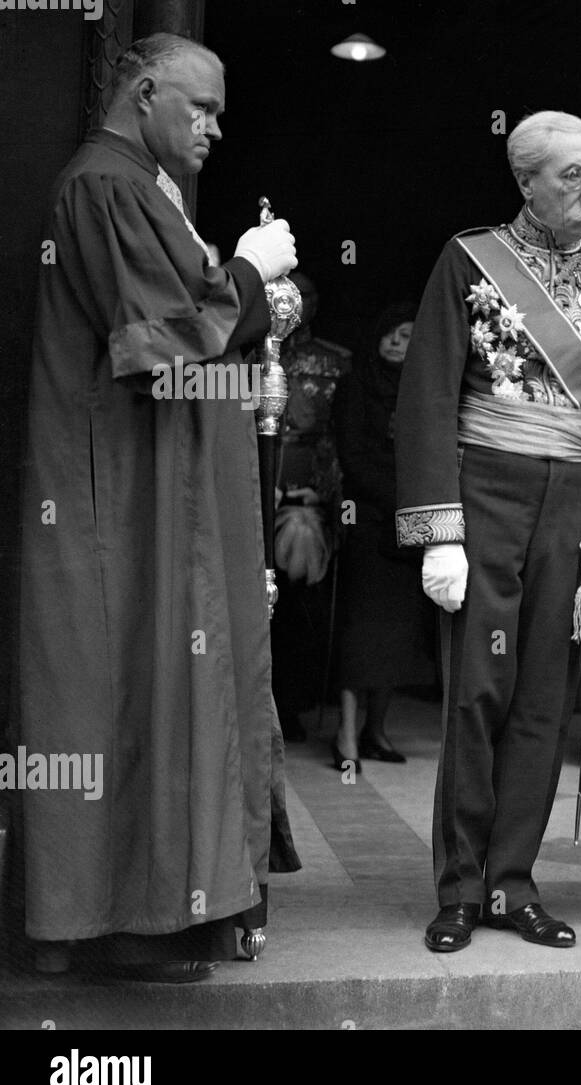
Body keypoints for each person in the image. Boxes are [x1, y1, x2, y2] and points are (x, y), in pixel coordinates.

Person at [18, 32, 299, 981]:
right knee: (120, 687)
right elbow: (169, 344)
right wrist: (256, 272)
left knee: (135, 689)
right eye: (203, 107)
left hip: (143, 482)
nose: (217, 128)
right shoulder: (109, 186)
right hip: (122, 493)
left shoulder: (132, 186)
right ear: (144, 93)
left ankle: (134, 915)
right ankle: (126, 921)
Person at [395, 111, 581, 953]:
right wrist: (439, 528)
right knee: (476, 694)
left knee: (544, 701)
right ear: (526, 183)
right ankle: (459, 887)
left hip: (575, 505)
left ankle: (513, 884)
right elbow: (428, 395)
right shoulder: (469, 260)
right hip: (486, 493)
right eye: (572, 177)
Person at [333, 302, 439, 771]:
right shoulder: (355, 385)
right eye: (392, 334)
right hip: (367, 519)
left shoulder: (424, 392)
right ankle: (345, 737)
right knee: (362, 633)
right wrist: (398, 495)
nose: (397, 343)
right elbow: (352, 456)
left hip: (410, 525)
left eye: (408, 336)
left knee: (397, 635)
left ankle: (376, 731)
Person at [271, 270, 351, 742]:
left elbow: (341, 436)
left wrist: (325, 492)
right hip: (259, 486)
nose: (297, 304)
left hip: (314, 499)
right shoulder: (248, 357)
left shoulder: (336, 363)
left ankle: (296, 703)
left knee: (302, 606)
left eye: (306, 295)